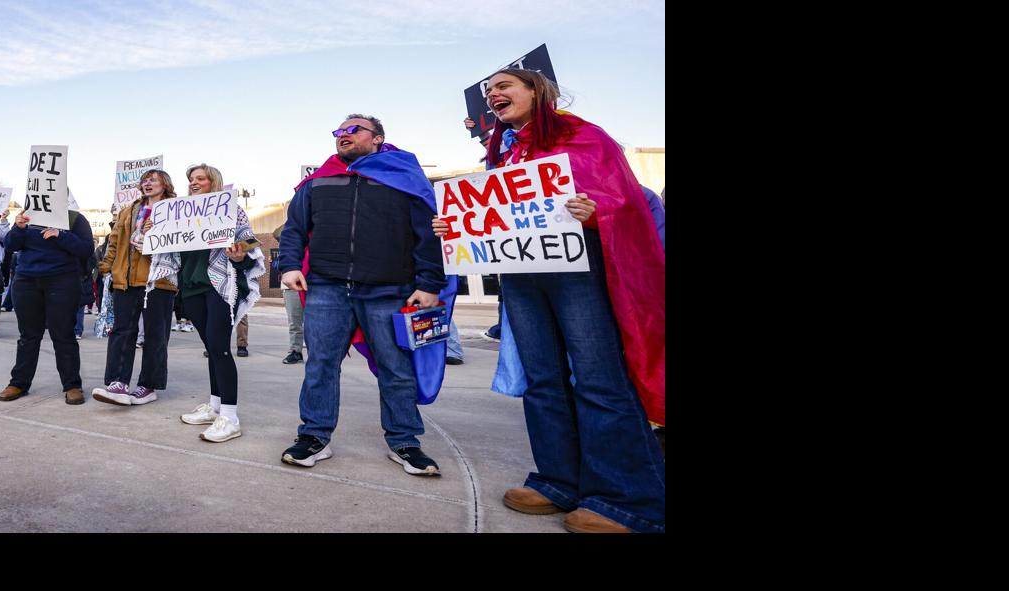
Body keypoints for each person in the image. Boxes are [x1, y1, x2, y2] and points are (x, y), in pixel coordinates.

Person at [440, 68, 664, 533]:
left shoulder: (584, 136)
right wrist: (454, 227)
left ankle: (628, 499)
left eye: (504, 86)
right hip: (523, 275)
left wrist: (599, 212)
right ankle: (558, 480)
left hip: (579, 273)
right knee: (542, 379)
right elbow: (496, 215)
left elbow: (628, 202)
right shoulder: (502, 153)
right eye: (489, 91)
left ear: (537, 90)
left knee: (599, 380)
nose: (493, 94)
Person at [276, 115, 447, 475]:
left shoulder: (405, 180)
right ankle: (313, 437)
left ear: (378, 138)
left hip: (388, 289)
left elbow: (428, 235)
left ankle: (404, 442)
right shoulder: (316, 183)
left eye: (353, 130)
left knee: (396, 369)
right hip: (327, 287)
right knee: (320, 365)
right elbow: (294, 229)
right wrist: (289, 266)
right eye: (339, 131)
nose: (343, 135)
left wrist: (430, 283)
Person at [146, 164, 261, 442]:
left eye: (200, 179)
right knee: (211, 346)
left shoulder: (230, 210)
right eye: (190, 180)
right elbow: (151, 243)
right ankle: (215, 405)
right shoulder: (177, 213)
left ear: (214, 182)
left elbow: (249, 244)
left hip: (220, 284)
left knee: (220, 348)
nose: (193, 183)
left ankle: (230, 417)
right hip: (191, 285)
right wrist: (152, 229)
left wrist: (237, 255)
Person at [91, 168, 177, 408]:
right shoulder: (130, 210)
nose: (148, 183)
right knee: (121, 331)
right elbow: (115, 240)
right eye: (145, 180)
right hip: (125, 280)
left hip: (158, 281)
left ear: (165, 184)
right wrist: (107, 267)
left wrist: (157, 232)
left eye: (153, 180)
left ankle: (148, 385)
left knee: (155, 335)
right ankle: (117, 383)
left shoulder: (175, 209)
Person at [0, 206, 93, 403]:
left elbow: (86, 249)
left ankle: (72, 385)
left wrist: (60, 235)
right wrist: (18, 227)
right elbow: (11, 245)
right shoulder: (28, 216)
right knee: (28, 336)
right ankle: (19, 383)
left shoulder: (74, 218)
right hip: (26, 280)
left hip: (62, 280)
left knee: (63, 334)